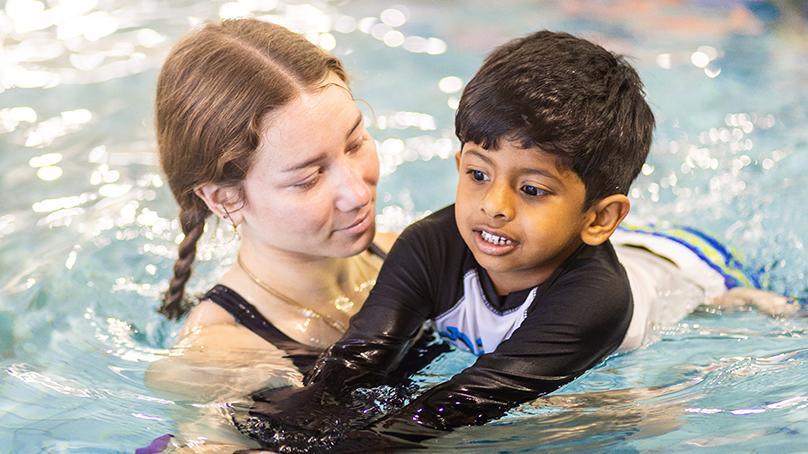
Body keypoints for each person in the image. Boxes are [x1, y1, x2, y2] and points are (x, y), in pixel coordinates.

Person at [234, 30, 802, 452]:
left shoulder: (593, 304)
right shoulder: (429, 246)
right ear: (458, 164)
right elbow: (361, 357)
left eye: (531, 189)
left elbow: (461, 404)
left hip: (688, 271)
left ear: (600, 217)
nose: (495, 205)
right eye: (478, 174)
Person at [144, 18, 399, 404]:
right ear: (224, 199)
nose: (356, 193)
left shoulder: (404, 253)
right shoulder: (222, 354)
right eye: (308, 178)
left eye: (355, 143)